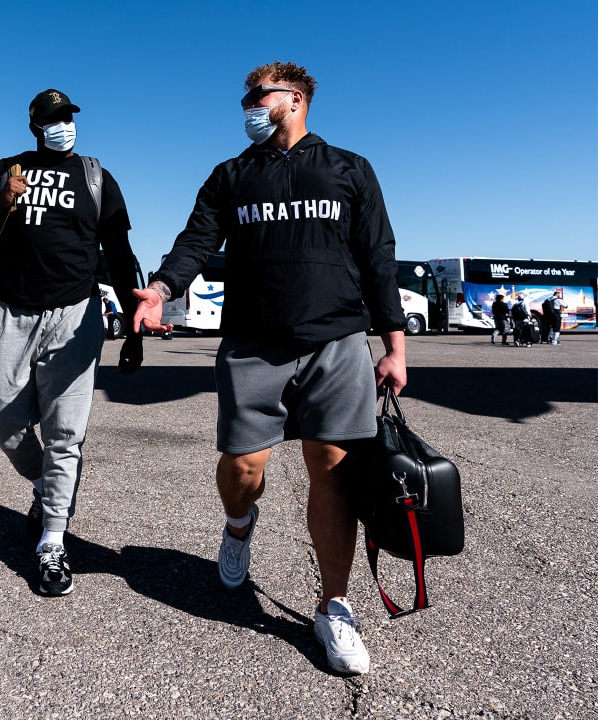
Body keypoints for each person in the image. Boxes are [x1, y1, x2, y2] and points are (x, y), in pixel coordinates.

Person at [132, 62, 406, 676]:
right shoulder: (232, 175)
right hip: (253, 344)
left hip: (335, 340)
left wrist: (395, 345)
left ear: (297, 99)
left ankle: (334, 606)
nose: (248, 105)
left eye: (258, 95)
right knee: (243, 466)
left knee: (332, 473)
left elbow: (378, 255)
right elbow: (196, 239)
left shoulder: (348, 168)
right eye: (246, 98)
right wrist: (162, 287)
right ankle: (238, 525)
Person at [0, 88, 144, 597]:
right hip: (12, 310)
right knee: (3, 418)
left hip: (76, 316)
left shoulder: (95, 177)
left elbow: (120, 251)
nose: (64, 126)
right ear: (35, 124)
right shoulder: (7, 169)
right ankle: (43, 484)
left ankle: (53, 539)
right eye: (54, 119)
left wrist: (134, 321)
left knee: (66, 432)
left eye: (69, 117)